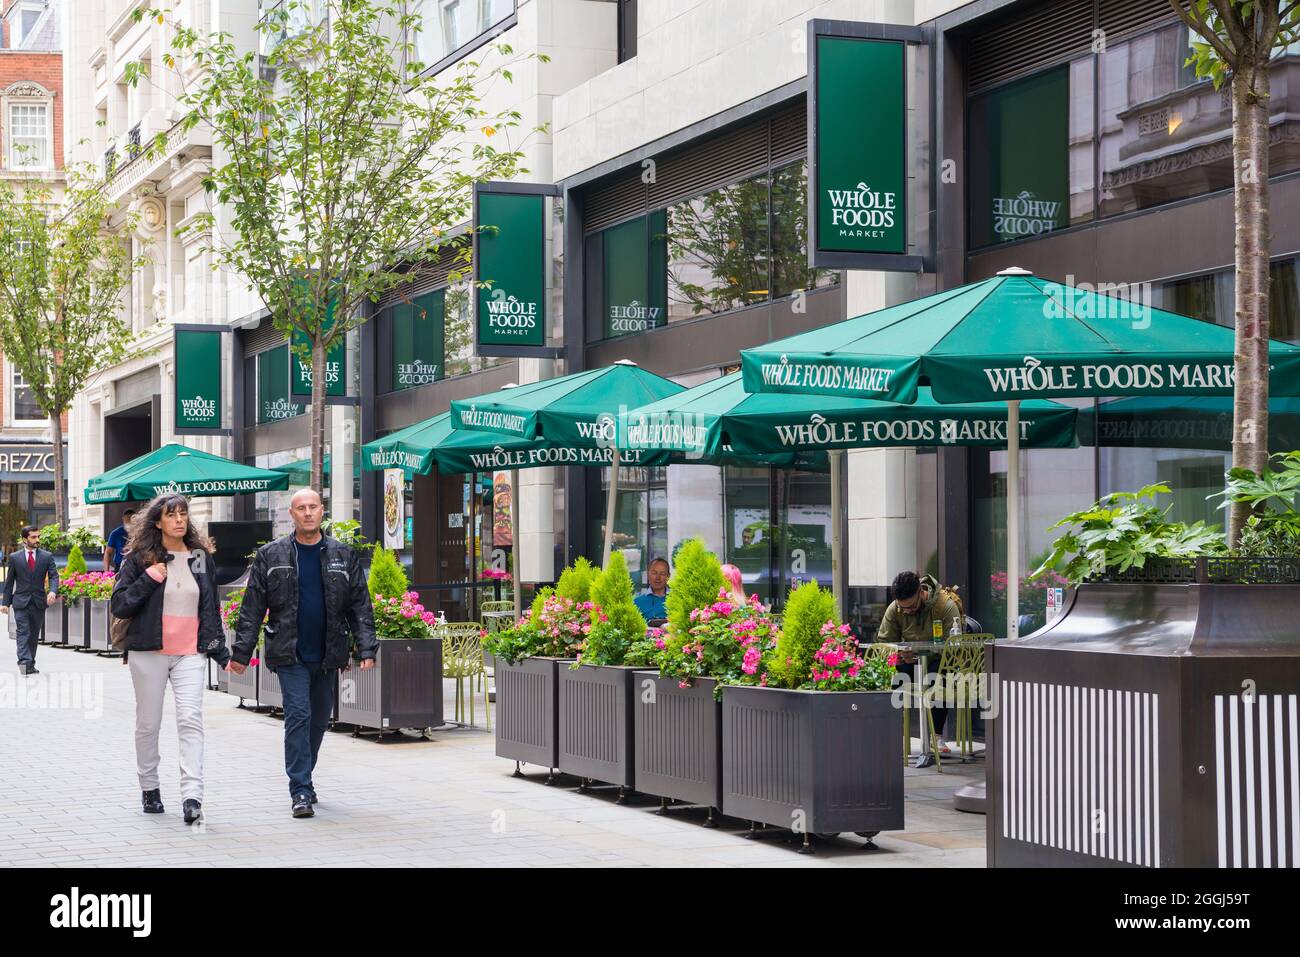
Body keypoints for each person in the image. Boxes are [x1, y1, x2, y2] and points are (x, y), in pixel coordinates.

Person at [231, 488, 378, 818]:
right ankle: (299, 788)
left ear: (322, 510)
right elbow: (252, 607)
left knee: (320, 718)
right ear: (292, 514)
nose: (308, 513)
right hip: (289, 652)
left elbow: (359, 605)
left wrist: (366, 646)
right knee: (299, 715)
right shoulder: (271, 555)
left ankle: (304, 776)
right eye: (301, 508)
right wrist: (241, 654)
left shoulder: (343, 555)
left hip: (328, 654)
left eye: (313, 507)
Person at [110, 493, 231, 823]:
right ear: (157, 521)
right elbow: (119, 605)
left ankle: (193, 796)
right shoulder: (139, 558)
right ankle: (149, 787)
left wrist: (220, 651)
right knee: (148, 723)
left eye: (183, 514)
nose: (179, 519)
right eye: (171, 514)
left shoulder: (200, 557)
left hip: (189, 653)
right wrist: (150, 578)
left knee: (191, 719)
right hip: (148, 651)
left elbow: (210, 608)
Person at [876, 571, 964, 762]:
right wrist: (896, 655)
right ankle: (889, 734)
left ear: (921, 592)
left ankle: (937, 736)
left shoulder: (945, 606)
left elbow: (954, 647)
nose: (906, 611)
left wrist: (922, 654)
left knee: (938, 676)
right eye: (902, 607)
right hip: (908, 663)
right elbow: (884, 641)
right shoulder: (895, 609)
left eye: (910, 607)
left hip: (937, 661)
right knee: (889, 679)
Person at [1, 525, 59, 676]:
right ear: (25, 539)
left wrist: (52, 591)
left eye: (38, 536)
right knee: (23, 632)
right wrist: (5, 603)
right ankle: (24, 663)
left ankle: (30, 664)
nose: (37, 539)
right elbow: (9, 582)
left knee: (33, 634)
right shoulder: (15, 558)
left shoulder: (47, 556)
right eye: (33, 537)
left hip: (39, 602)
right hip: (20, 602)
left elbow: (54, 576)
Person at [633, 557, 670, 623]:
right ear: (648, 575)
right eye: (654, 573)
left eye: (662, 574)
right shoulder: (637, 603)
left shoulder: (677, 600)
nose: (658, 577)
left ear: (668, 576)